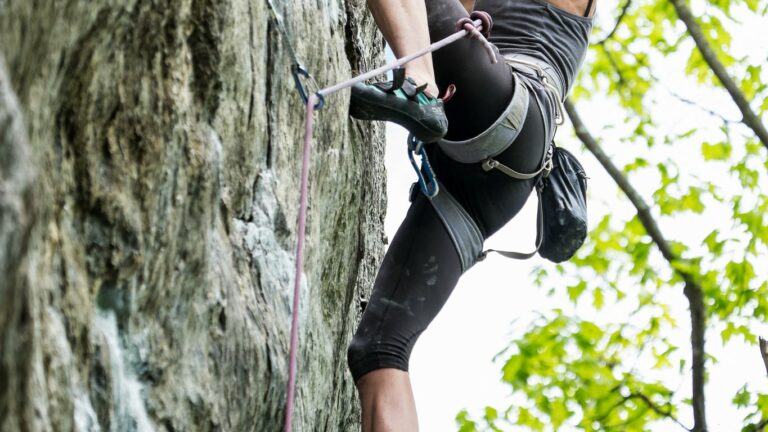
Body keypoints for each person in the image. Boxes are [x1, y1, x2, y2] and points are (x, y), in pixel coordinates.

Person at [347, 0, 596, 430]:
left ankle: (418, 87)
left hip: (513, 105)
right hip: (487, 178)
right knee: (379, 349)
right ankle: (420, 85)